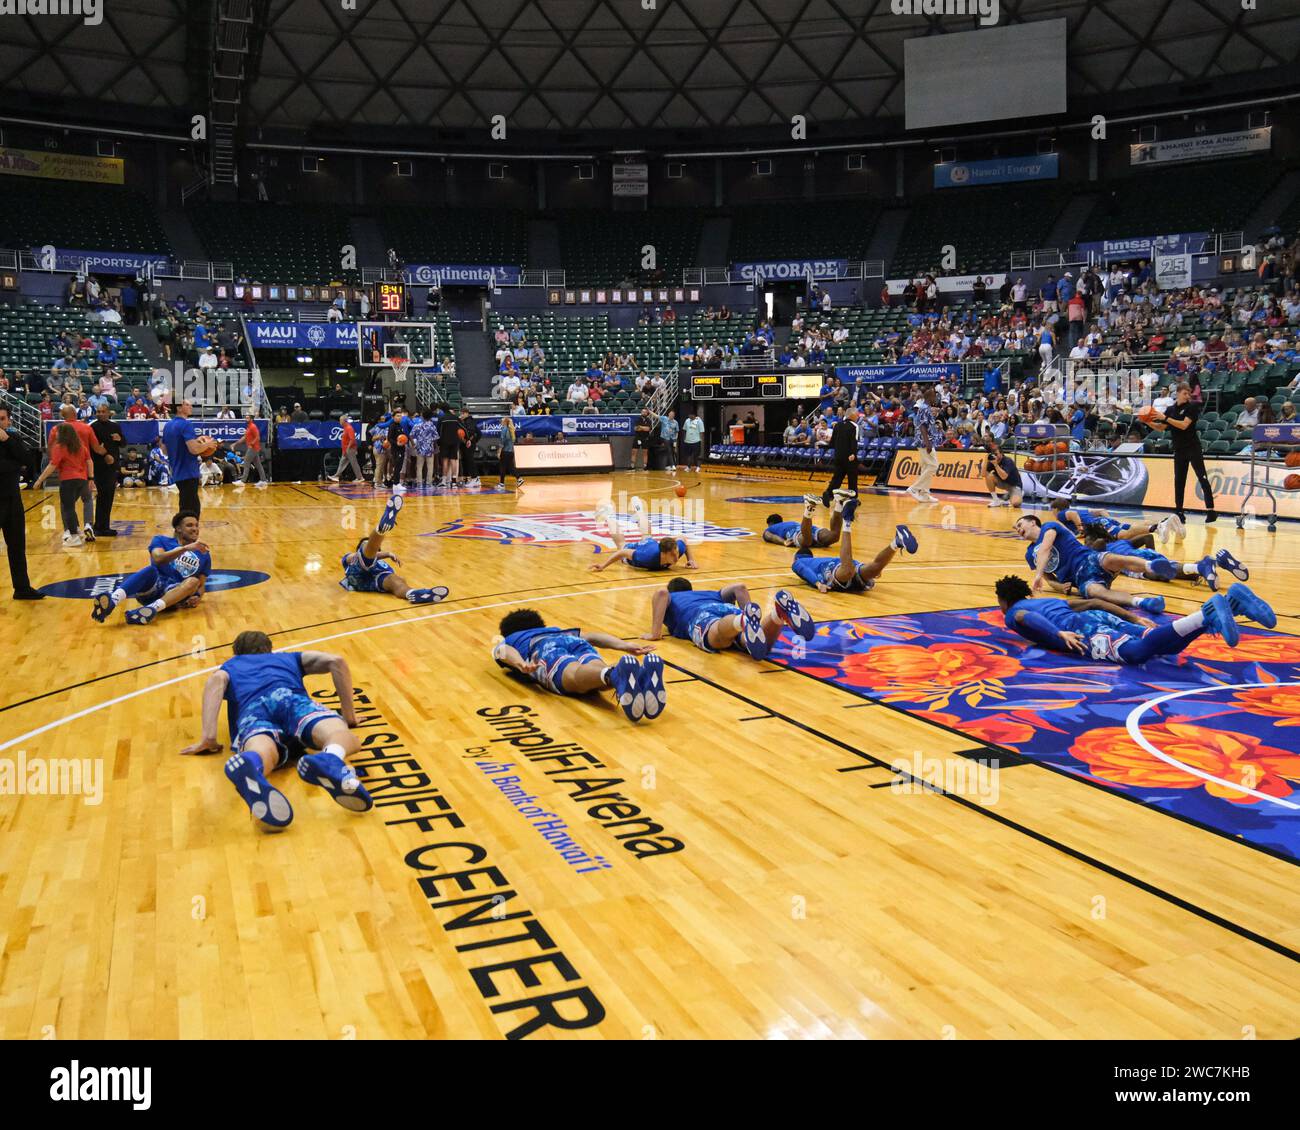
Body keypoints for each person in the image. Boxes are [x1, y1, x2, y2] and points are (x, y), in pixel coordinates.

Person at [179, 630, 372, 831]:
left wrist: (208, 737)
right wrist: (349, 717)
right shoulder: (287, 658)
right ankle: (331, 756)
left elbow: (216, 681)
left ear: (236, 652)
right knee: (339, 735)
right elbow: (337, 661)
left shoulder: (231, 666)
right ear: (270, 649)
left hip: (253, 708)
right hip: (289, 698)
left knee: (264, 751)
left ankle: (252, 765)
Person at [995, 574, 1275, 664]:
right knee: (1167, 646)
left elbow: (1024, 616)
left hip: (1079, 629)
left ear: (1003, 600)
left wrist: (1059, 636)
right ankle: (1231, 604)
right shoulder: (1049, 600)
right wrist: (1134, 618)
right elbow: (1094, 602)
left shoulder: (1011, 612)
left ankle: (1209, 611)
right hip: (1096, 615)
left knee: (1136, 653)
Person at [492, 609, 665, 723]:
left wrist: (520, 663)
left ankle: (614, 675)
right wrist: (623, 645)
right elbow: (592, 637)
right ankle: (638, 676)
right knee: (595, 668)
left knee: (574, 675)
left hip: (544, 647)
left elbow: (502, 649)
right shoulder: (556, 629)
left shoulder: (516, 637)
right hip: (573, 641)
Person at [1015, 514, 1166, 612]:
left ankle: (1151, 566)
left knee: (1110, 559)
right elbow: (1050, 580)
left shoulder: (1049, 526)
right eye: (1016, 528)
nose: (1018, 529)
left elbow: (1045, 549)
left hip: (1087, 559)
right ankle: (1143, 602)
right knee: (1096, 593)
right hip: (1080, 579)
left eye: (1020, 524)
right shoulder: (1029, 554)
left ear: (1033, 522)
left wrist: (1038, 575)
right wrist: (1060, 587)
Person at [644, 577, 816, 662]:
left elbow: (661, 593)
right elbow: (739, 587)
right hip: (727, 609)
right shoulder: (708, 593)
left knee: (716, 639)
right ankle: (777, 616)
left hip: (701, 615)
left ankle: (742, 621)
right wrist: (748, 612)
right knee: (759, 648)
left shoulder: (674, 597)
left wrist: (655, 632)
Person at [91, 509, 211, 625]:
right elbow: (158, 558)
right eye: (190, 525)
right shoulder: (161, 540)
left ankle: (150, 609)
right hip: (153, 588)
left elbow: (201, 584)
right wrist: (184, 549)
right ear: (178, 528)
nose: (195, 529)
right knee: (150, 570)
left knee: (193, 581)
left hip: (174, 593)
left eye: (196, 525)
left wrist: (198, 597)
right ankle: (113, 600)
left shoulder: (204, 554)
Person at [338, 493, 450, 604]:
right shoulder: (350, 557)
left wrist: (386, 554)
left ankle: (414, 593)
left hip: (371, 582)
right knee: (365, 554)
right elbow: (358, 555)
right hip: (357, 577)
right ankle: (381, 529)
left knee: (396, 581)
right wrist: (386, 553)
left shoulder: (382, 565)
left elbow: (376, 558)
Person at [791, 499, 918, 593]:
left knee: (848, 570)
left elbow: (803, 570)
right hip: (838, 561)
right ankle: (896, 542)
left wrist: (818, 584)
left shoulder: (800, 561)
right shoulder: (816, 558)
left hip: (831, 570)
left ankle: (847, 521)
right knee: (875, 568)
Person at [1148, 382, 1217, 523]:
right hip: (1179, 449)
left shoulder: (1192, 407)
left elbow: (1184, 425)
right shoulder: (1170, 409)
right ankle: (1179, 512)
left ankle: (1211, 510)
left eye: (1188, 394)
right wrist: (1146, 421)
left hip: (1193, 447)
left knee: (1202, 478)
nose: (1187, 396)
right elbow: (1161, 428)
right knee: (1179, 481)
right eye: (1185, 393)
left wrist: (1165, 418)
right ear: (1178, 393)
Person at [589, 496, 697, 572]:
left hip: (652, 544)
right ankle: (606, 515)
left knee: (647, 535)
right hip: (641, 549)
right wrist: (603, 566)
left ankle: (639, 509)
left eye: (676, 553)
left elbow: (683, 539)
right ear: (663, 553)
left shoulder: (677, 549)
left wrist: (690, 560)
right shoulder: (647, 557)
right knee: (622, 544)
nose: (677, 557)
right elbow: (622, 552)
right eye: (673, 555)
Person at [0, 406, 42, 599]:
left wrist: (7, 441)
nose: (0, 423)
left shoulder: (13, 439)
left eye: (2, 419)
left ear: (8, 421)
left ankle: (22, 588)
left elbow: (28, 462)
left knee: (17, 546)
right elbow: (15, 464)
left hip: (13, 500)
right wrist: (13, 465)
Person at [32, 421, 95, 547]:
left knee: (68, 508)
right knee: (76, 503)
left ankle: (74, 537)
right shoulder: (81, 446)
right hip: (82, 480)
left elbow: (52, 465)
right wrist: (90, 478)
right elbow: (89, 462)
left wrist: (40, 480)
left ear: (63, 434)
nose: (56, 434)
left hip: (68, 480)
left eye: (58, 432)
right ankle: (79, 528)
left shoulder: (60, 447)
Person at [162, 399, 208, 516]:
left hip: (177, 472)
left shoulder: (167, 425)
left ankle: (181, 532)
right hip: (188, 471)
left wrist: (195, 441)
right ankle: (185, 533)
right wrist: (208, 445)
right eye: (187, 405)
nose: (191, 406)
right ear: (178, 408)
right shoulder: (186, 424)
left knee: (185, 506)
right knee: (192, 510)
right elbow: (194, 450)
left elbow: (165, 450)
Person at [764, 490, 854, 549]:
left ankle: (809, 508)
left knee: (807, 542)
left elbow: (771, 537)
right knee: (834, 536)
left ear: (770, 523)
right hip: (807, 528)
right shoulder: (790, 522)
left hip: (796, 532)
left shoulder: (770, 528)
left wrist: (783, 542)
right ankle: (839, 502)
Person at [88, 402, 123, 537]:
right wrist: (105, 456)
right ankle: (99, 527)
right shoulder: (93, 427)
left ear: (109, 413)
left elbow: (124, 443)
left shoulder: (115, 426)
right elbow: (94, 447)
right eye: (98, 411)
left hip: (113, 466)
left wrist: (119, 439)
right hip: (100, 466)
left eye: (103, 411)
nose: (100, 414)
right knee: (103, 496)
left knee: (108, 497)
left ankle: (104, 526)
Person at [906, 388, 942, 504]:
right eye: (934, 396)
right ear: (929, 397)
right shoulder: (923, 409)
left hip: (927, 441)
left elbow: (927, 425)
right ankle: (914, 488)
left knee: (926, 467)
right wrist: (927, 443)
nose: (935, 398)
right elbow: (922, 427)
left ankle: (925, 494)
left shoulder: (926, 409)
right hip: (924, 442)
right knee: (933, 466)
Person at [820, 407, 860, 507]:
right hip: (849, 456)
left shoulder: (837, 425)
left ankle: (829, 494)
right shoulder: (854, 426)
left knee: (837, 478)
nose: (858, 416)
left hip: (838, 455)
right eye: (857, 414)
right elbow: (853, 441)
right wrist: (853, 454)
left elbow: (832, 442)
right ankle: (853, 499)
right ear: (852, 415)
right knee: (852, 478)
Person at [984, 440, 1023, 508]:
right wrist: (985, 460)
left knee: (1016, 503)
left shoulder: (1007, 461)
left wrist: (996, 465)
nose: (995, 456)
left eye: (996, 454)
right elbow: (983, 474)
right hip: (1004, 484)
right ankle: (996, 501)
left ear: (1001, 453)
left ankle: (1013, 494)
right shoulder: (992, 461)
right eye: (993, 454)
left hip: (1014, 485)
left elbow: (1004, 477)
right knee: (989, 476)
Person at [331, 414, 363, 483]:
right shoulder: (345, 428)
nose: (339, 422)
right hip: (346, 449)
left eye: (340, 420)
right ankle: (336, 476)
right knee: (342, 462)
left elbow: (352, 439)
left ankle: (360, 478)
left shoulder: (349, 428)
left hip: (350, 449)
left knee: (354, 463)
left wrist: (348, 448)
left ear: (343, 421)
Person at [238, 413, 268, 486]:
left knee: (246, 462)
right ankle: (263, 480)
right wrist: (235, 444)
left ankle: (243, 481)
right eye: (246, 418)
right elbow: (244, 437)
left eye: (247, 418)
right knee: (258, 464)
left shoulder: (253, 426)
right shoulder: (248, 427)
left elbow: (258, 437)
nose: (246, 419)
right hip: (253, 447)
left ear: (251, 419)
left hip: (253, 448)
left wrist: (252, 444)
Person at [496, 415, 522, 491]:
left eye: (501, 421)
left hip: (505, 452)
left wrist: (499, 451)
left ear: (505, 422)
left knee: (502, 467)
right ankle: (519, 479)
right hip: (511, 452)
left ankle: (501, 484)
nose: (500, 422)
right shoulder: (511, 430)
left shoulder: (504, 429)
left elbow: (502, 441)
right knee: (511, 468)